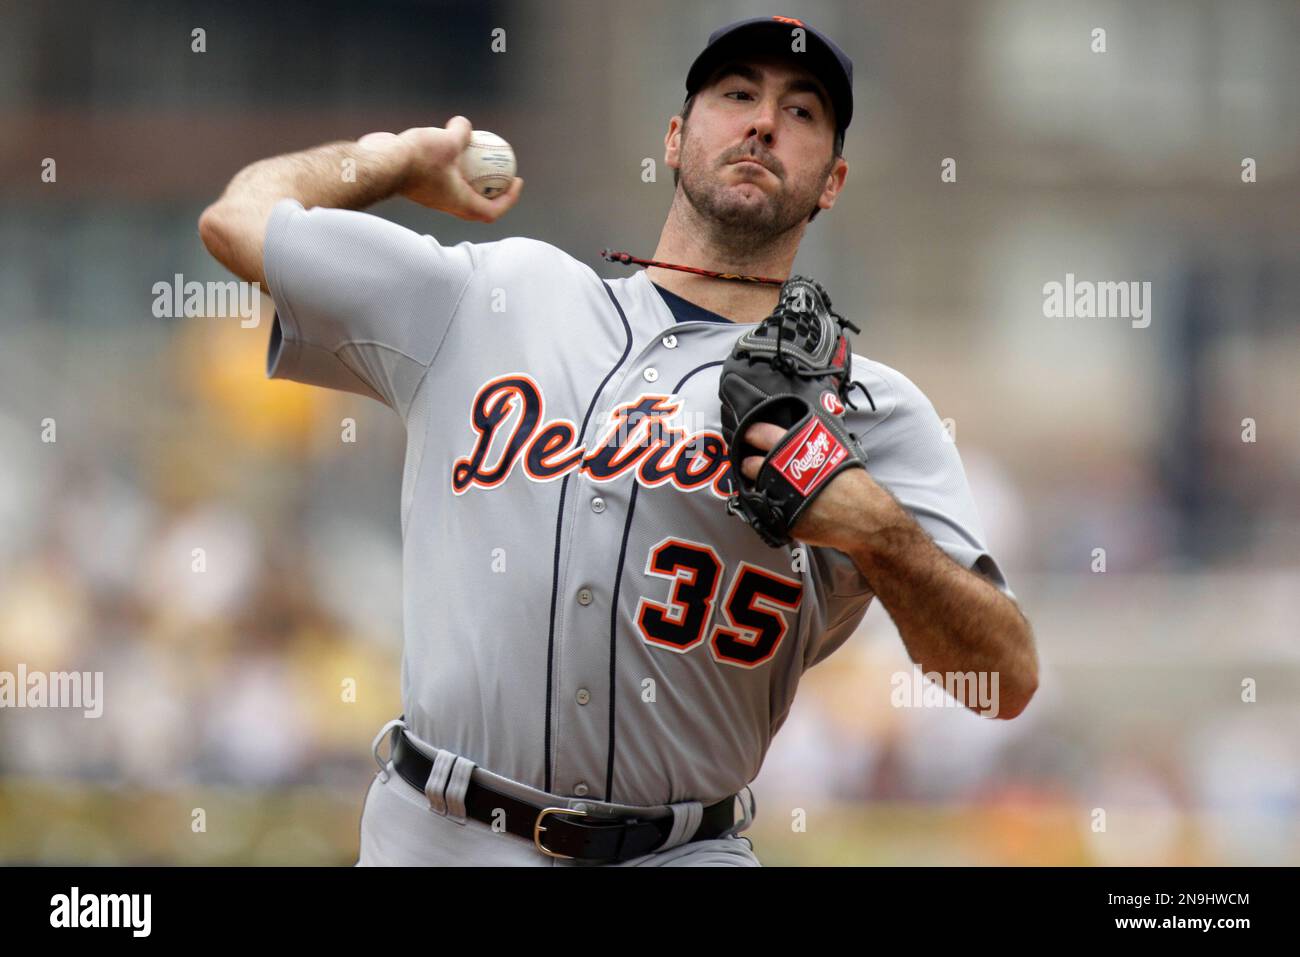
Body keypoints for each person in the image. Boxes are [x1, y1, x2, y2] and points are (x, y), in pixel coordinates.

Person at [197, 16, 1038, 867]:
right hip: (439, 833)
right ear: (675, 139)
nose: (763, 122)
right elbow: (238, 222)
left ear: (833, 180)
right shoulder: (496, 295)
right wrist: (388, 162)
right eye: (737, 94)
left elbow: (1005, 678)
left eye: (803, 111)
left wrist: (877, 534)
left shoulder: (867, 407)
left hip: (682, 849)